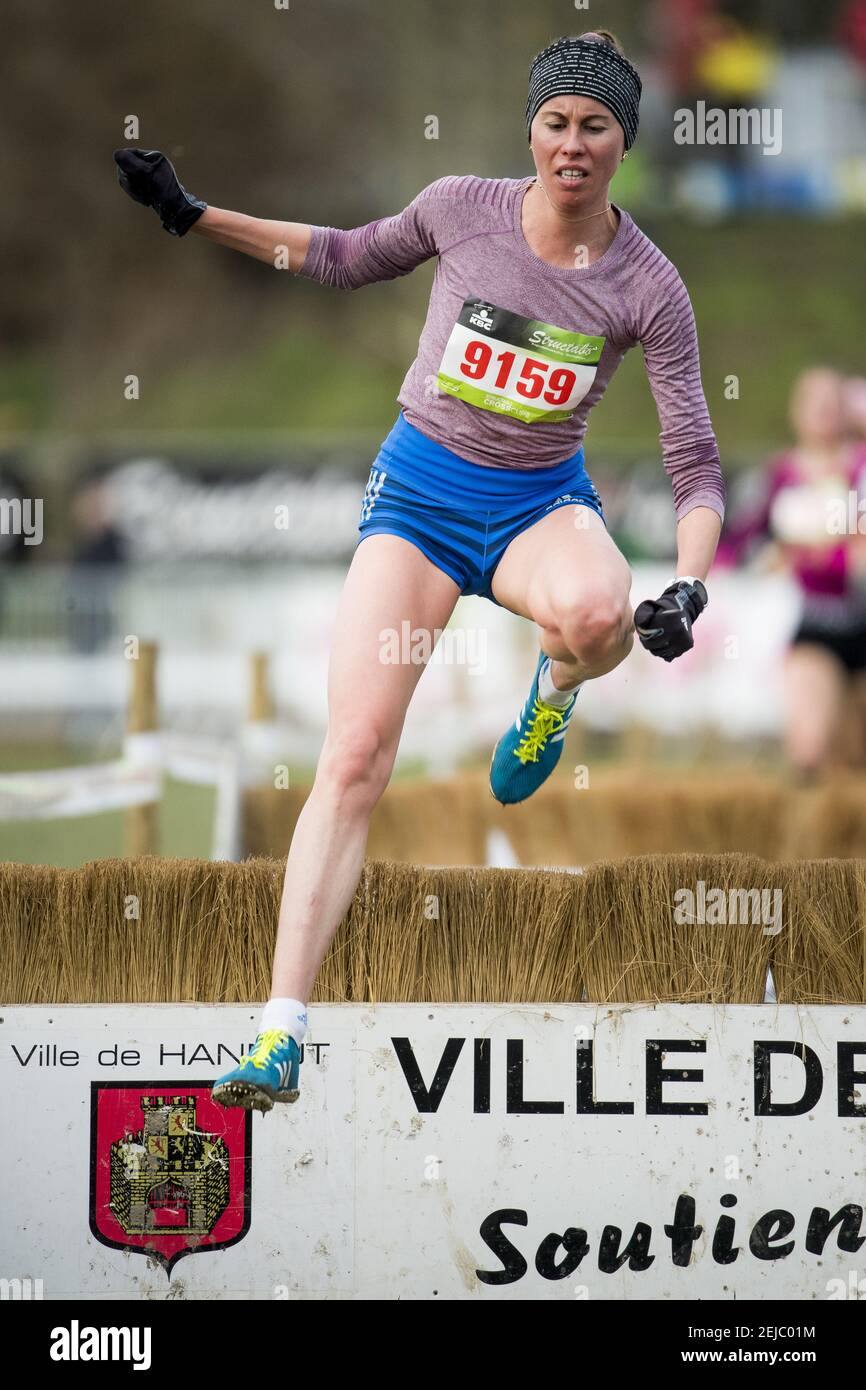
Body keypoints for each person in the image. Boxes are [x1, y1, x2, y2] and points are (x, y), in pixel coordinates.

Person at [114, 30, 725, 1112]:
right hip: (417, 500)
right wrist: (193, 214)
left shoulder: (649, 286)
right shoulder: (461, 207)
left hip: (538, 503)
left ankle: (553, 689)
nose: (570, 144)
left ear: (622, 142)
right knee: (351, 753)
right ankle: (277, 1032)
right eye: (554, 122)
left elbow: (694, 464)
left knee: (600, 612)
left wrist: (688, 579)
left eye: (594, 126)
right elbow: (344, 255)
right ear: (529, 130)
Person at [719, 368, 866, 779]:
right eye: (812, 401)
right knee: (808, 749)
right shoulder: (779, 474)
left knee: (855, 759)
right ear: (795, 411)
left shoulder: (861, 466)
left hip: (860, 611)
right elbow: (741, 544)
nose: (822, 410)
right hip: (815, 623)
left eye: (831, 401)